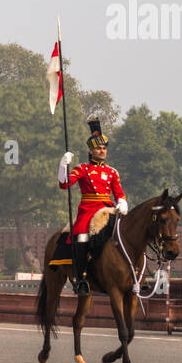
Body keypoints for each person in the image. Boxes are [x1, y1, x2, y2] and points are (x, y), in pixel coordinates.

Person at [58, 117, 128, 295]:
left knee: (126, 234)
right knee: (81, 237)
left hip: (108, 209)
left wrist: (122, 201)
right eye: (98, 148)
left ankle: (133, 275)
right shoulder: (81, 169)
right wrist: (63, 166)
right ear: (91, 151)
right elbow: (65, 185)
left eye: (104, 148)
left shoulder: (112, 172)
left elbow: (118, 192)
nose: (102, 151)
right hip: (88, 209)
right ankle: (81, 278)